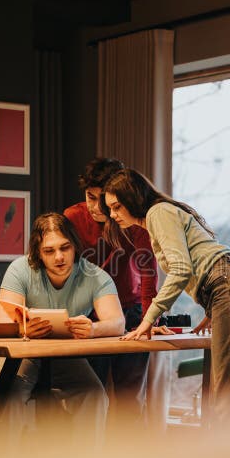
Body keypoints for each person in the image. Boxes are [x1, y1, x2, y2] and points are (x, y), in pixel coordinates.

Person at [101, 169, 230, 431]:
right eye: (110, 208)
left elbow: (181, 268)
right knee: (228, 394)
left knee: (229, 397)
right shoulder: (160, 216)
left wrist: (149, 318)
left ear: (133, 198)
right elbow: (205, 255)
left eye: (116, 206)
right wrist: (213, 309)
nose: (112, 214)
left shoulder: (158, 213)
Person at [0, 212, 125, 448]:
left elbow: (118, 323)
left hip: (63, 355)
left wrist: (93, 329)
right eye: (49, 251)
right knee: (9, 394)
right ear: (38, 253)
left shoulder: (94, 276)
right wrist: (22, 328)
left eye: (65, 248)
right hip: (20, 354)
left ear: (75, 246)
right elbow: (2, 322)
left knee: (94, 396)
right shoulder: (19, 269)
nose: (59, 257)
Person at [64, 157, 167, 428]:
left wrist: (149, 320)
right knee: (91, 395)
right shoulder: (73, 218)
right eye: (90, 197)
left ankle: (127, 454)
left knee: (129, 400)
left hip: (130, 311)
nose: (96, 207)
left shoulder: (132, 222)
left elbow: (149, 274)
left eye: (103, 200)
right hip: (88, 315)